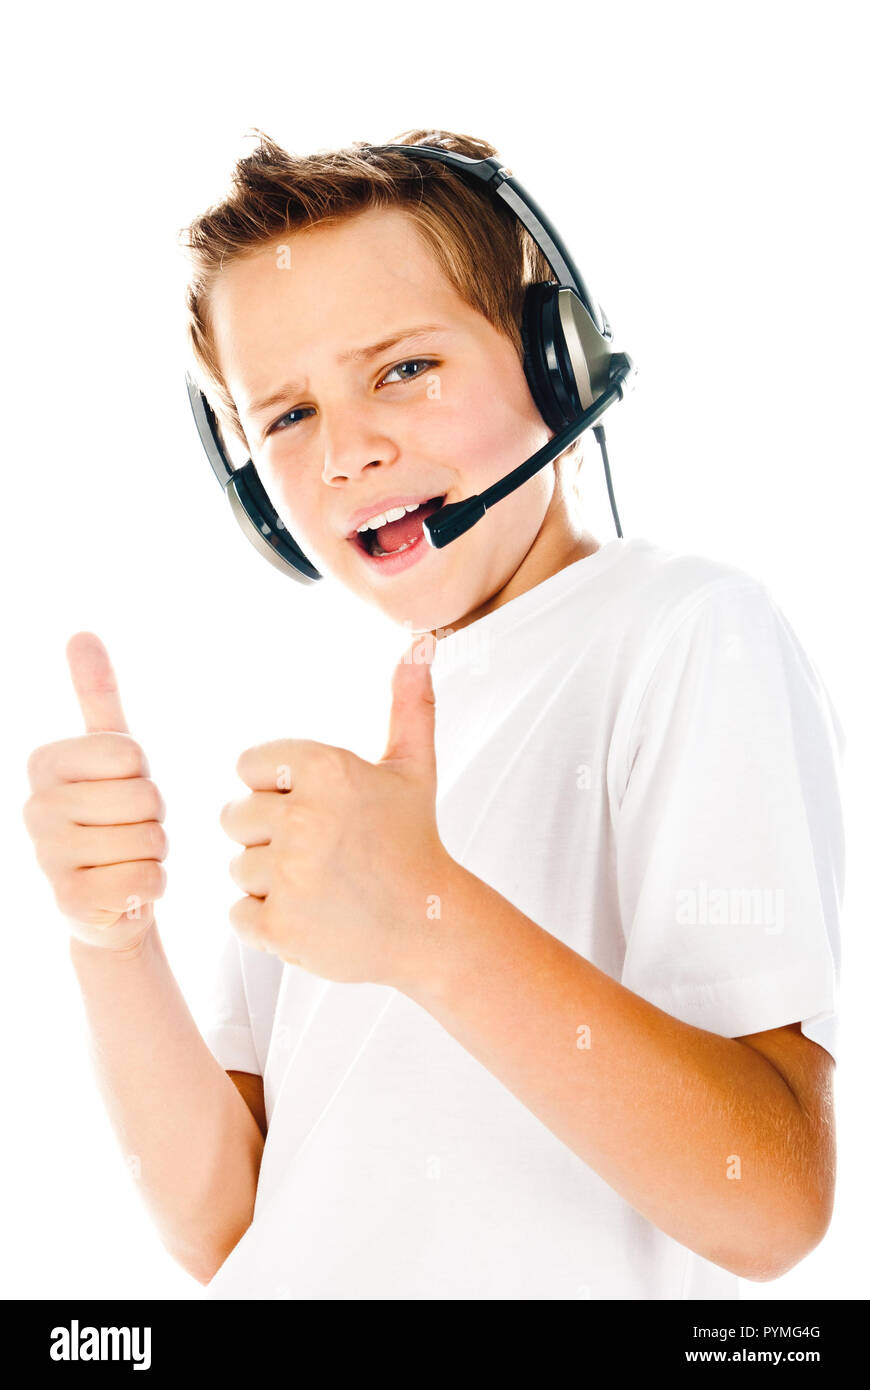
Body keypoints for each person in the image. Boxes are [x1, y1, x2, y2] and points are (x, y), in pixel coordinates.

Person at [23, 128, 843, 1300]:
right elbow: (222, 1225)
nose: (351, 450)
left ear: (551, 358)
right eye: (288, 417)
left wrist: (424, 916)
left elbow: (772, 1205)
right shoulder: (344, 745)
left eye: (404, 368)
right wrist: (110, 936)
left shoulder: (684, 631)